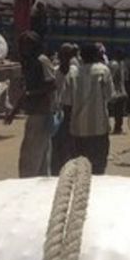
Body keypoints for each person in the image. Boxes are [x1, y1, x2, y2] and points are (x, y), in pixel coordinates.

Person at [4, 31, 56, 177]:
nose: (25, 48)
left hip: (41, 112)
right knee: (40, 153)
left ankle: (28, 181)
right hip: (34, 112)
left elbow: (51, 85)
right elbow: (26, 89)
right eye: (23, 44)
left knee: (31, 154)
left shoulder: (41, 61)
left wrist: (31, 94)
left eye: (28, 45)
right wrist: (14, 111)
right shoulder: (29, 62)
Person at [61, 43, 114, 174]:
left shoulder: (72, 73)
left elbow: (66, 102)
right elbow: (109, 96)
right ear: (96, 56)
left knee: (80, 169)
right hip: (99, 128)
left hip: (78, 129)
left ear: (81, 57)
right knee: (98, 168)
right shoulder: (103, 70)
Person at [50, 43, 78, 174]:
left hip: (72, 110)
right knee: (56, 142)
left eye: (68, 55)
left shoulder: (75, 72)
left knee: (71, 143)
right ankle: (55, 170)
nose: (65, 58)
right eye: (63, 55)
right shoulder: (54, 71)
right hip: (57, 112)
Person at [108, 49, 130, 134]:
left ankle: (118, 127)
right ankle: (116, 128)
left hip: (120, 91)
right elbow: (111, 78)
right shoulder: (114, 64)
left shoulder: (121, 64)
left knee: (120, 111)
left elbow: (123, 79)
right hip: (116, 91)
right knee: (117, 110)